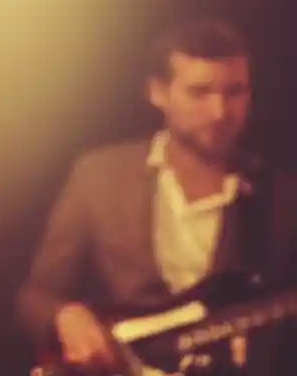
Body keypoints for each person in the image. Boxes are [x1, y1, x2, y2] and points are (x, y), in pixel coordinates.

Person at [17, 19, 297, 375]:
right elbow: (36, 296)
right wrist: (64, 316)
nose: (220, 112)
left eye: (235, 92)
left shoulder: (279, 196)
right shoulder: (98, 175)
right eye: (200, 92)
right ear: (157, 93)